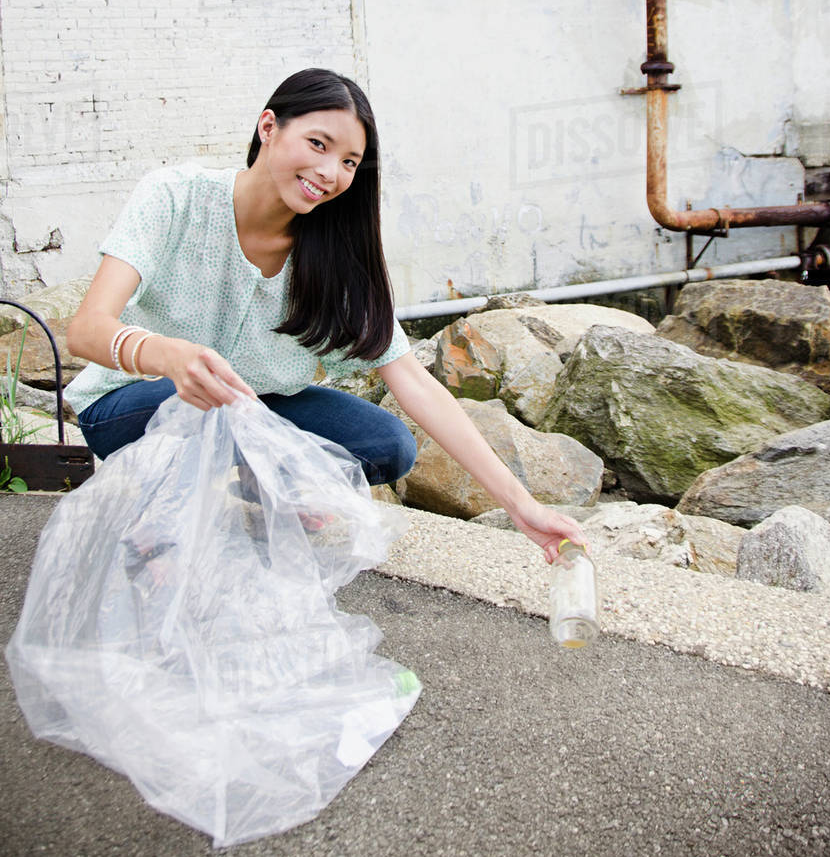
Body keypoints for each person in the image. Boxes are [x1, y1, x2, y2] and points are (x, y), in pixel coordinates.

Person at [66, 68, 585, 562]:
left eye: (349, 162)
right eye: (318, 144)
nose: (329, 172)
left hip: (250, 408)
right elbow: (86, 330)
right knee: (206, 406)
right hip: (133, 406)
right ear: (269, 127)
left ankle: (260, 479)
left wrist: (523, 507)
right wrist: (172, 356)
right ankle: (166, 519)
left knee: (386, 446)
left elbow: (415, 384)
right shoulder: (175, 197)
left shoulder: (334, 255)